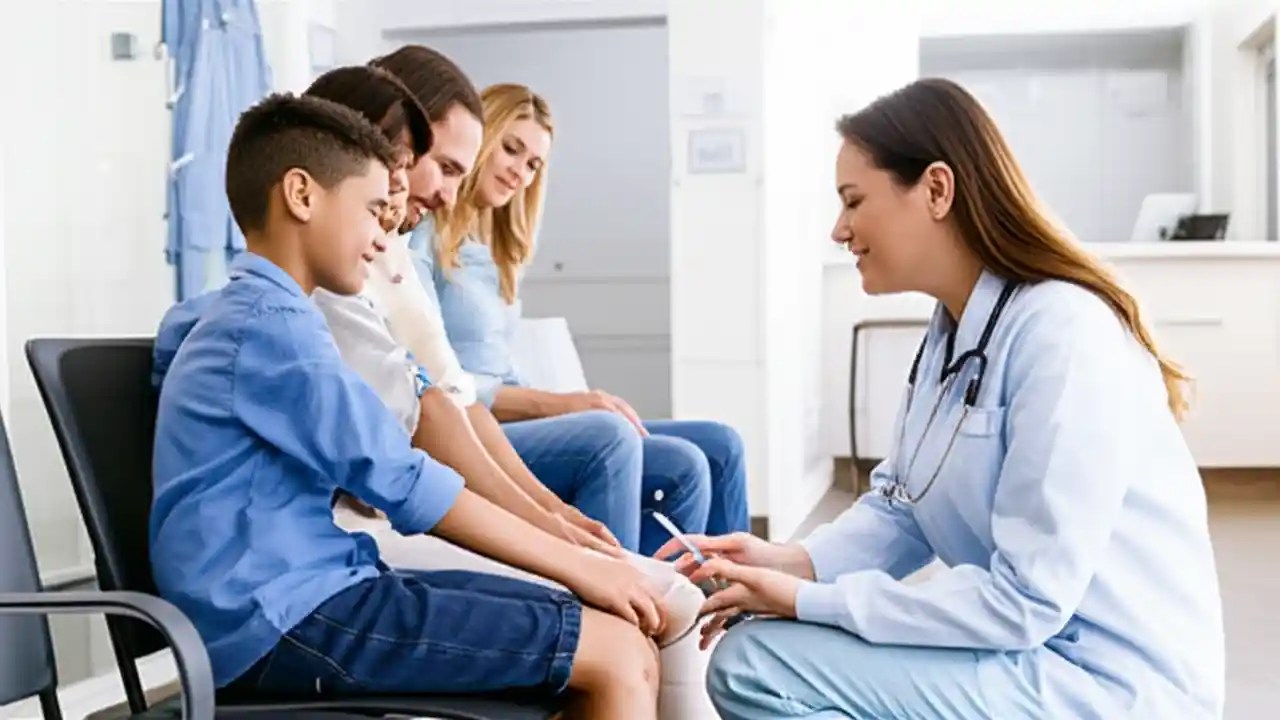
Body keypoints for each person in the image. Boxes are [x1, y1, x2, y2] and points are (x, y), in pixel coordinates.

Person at [656, 78, 1225, 720]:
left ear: (935, 189)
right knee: (759, 653)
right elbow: (904, 508)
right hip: (1034, 650)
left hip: (1107, 679)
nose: (839, 230)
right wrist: (791, 561)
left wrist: (803, 599)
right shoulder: (953, 334)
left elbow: (1025, 602)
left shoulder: (1064, 332)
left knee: (760, 666)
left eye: (853, 201)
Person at [149, 91, 666, 718]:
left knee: (607, 640)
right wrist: (581, 567)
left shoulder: (255, 315)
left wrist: (575, 563)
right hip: (280, 621)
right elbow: (406, 484)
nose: (380, 238)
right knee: (615, 652)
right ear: (302, 195)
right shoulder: (270, 327)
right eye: (372, 210)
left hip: (315, 592)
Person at [298, 61, 715, 719]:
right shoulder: (299, 307)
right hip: (331, 568)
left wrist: (559, 527)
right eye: (388, 195)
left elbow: (445, 401)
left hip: (361, 537)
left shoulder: (371, 271)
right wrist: (565, 553)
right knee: (636, 622)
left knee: (658, 580)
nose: (405, 211)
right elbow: (417, 461)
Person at [412, 82, 750, 555]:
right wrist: (555, 403)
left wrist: (559, 401)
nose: (520, 173)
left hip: (503, 417)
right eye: (511, 149)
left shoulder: (495, 252)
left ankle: (722, 604)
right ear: (479, 141)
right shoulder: (422, 235)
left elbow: (499, 365)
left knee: (719, 445)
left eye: (534, 164)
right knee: (635, 445)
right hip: (471, 426)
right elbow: (437, 379)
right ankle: (637, 606)